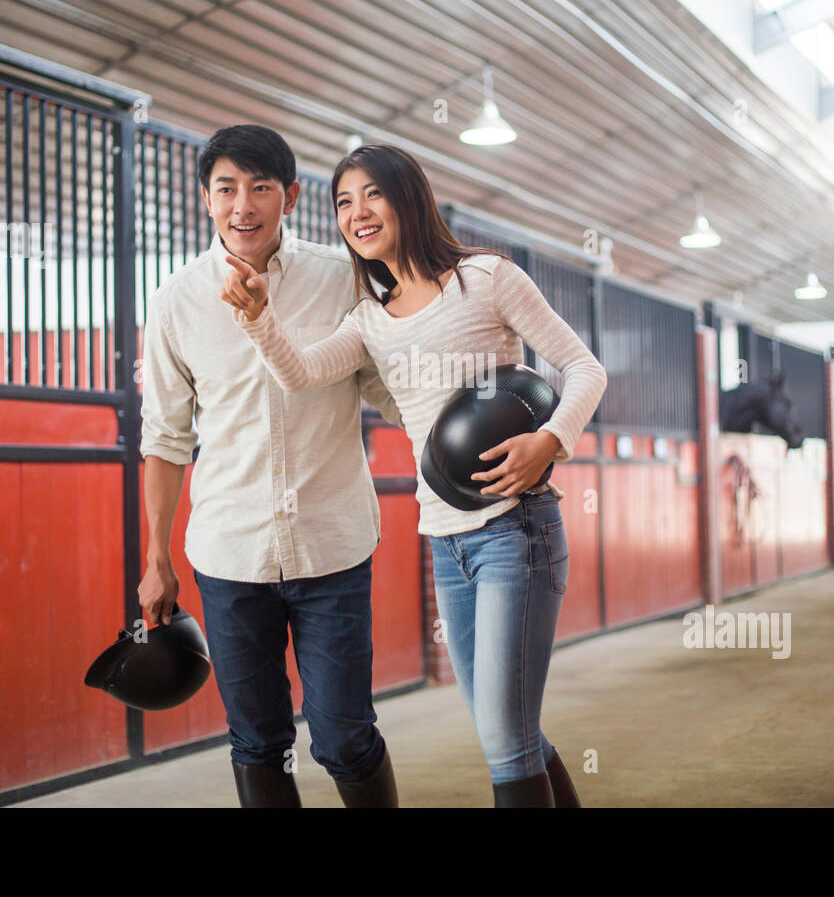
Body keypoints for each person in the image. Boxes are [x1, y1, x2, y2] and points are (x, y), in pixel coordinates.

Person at [221, 144, 608, 807]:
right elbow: (301, 373)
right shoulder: (372, 318)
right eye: (343, 202)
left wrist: (550, 441)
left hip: (516, 529)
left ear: (408, 198)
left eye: (372, 194)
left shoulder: (485, 279)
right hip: (447, 542)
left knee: (505, 741)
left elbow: (585, 368)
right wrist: (258, 318)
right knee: (510, 728)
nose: (357, 213)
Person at [139, 125, 405, 808]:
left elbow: (387, 387)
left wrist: (463, 382)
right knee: (256, 740)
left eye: (260, 188)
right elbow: (167, 440)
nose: (243, 205)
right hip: (230, 555)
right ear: (205, 199)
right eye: (226, 188)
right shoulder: (175, 301)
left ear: (288, 196)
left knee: (344, 735)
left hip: (332, 547)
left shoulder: (339, 276)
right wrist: (156, 558)